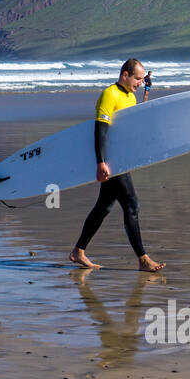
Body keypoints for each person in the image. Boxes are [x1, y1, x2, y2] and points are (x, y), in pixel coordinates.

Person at [69, 59, 165, 273]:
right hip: (111, 162)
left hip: (121, 160)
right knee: (131, 205)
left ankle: (78, 251)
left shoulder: (130, 96)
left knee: (104, 207)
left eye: (142, 79)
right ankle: (143, 259)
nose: (140, 83)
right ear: (125, 75)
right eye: (137, 79)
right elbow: (100, 130)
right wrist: (100, 161)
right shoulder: (109, 94)